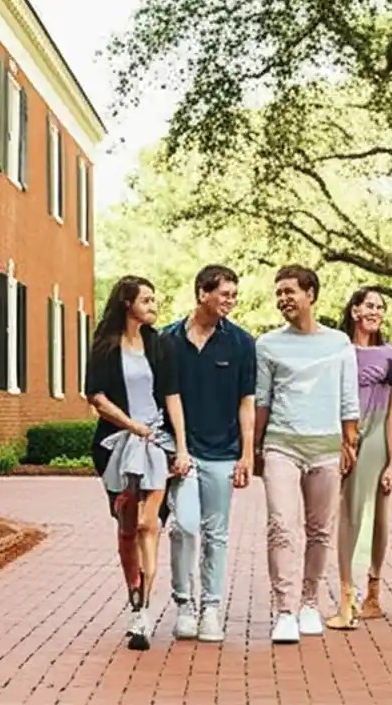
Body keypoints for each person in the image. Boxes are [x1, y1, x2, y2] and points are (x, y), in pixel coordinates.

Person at [254, 264, 360, 644]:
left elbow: (349, 399)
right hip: (282, 443)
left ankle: (310, 602)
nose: (283, 298)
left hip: (326, 447)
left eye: (290, 291)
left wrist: (350, 443)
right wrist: (255, 447)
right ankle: (285, 609)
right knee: (281, 524)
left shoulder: (339, 344)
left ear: (310, 294)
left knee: (320, 530)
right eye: (279, 292)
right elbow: (262, 401)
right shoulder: (266, 345)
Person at [86, 275, 192, 651]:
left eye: (154, 299)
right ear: (127, 304)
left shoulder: (160, 344)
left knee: (150, 524)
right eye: (146, 299)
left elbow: (172, 395)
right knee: (127, 528)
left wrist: (180, 446)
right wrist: (133, 426)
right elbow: (96, 398)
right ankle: (134, 597)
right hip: (116, 445)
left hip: (156, 444)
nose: (153, 305)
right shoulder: (104, 345)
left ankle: (144, 611)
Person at [161, 265, 257, 643]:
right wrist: (174, 448)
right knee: (183, 527)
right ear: (202, 292)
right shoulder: (167, 340)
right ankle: (184, 603)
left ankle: (211, 608)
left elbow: (246, 402)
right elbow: (165, 396)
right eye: (224, 294)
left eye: (234, 295)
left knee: (216, 533)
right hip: (181, 453)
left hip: (223, 453)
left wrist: (247, 455)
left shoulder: (241, 343)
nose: (230, 301)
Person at [326, 287, 392, 629]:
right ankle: (348, 594)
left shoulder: (391, 356)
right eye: (369, 305)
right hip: (340, 436)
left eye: (380, 307)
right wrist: (343, 441)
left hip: (375, 438)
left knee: (374, 512)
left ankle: (369, 592)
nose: (375, 311)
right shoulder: (336, 350)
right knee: (349, 513)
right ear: (354, 310)